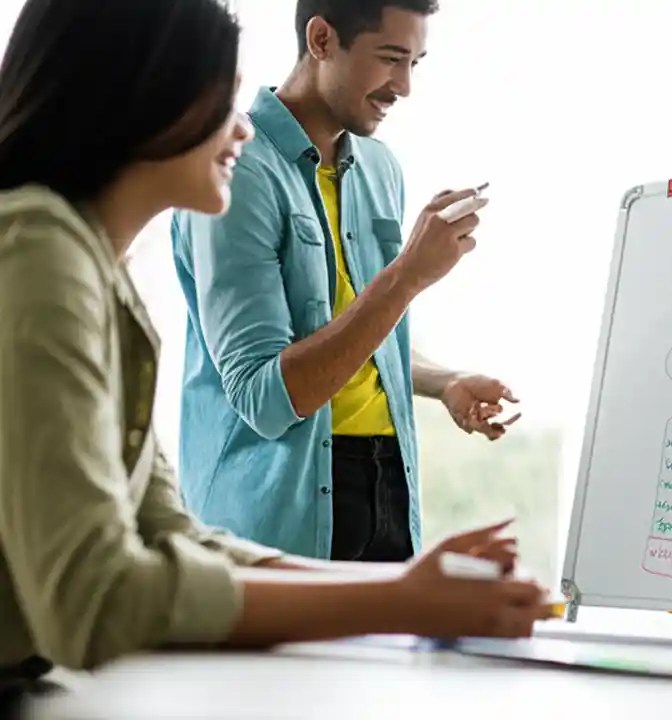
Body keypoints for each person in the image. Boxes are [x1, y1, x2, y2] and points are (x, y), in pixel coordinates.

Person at [0, 0, 552, 711]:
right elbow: (98, 601)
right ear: (145, 93)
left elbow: (172, 534)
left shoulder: (97, 275)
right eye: (223, 96)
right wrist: (401, 602)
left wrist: (416, 586)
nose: (241, 126)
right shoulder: (38, 251)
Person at [170, 0, 520, 562]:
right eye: (390, 59)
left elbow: (352, 337)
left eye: (415, 63)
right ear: (321, 39)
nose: (403, 86)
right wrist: (406, 277)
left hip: (388, 487)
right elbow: (268, 396)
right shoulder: (235, 172)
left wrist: (442, 381)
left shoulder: (381, 169)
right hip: (279, 513)